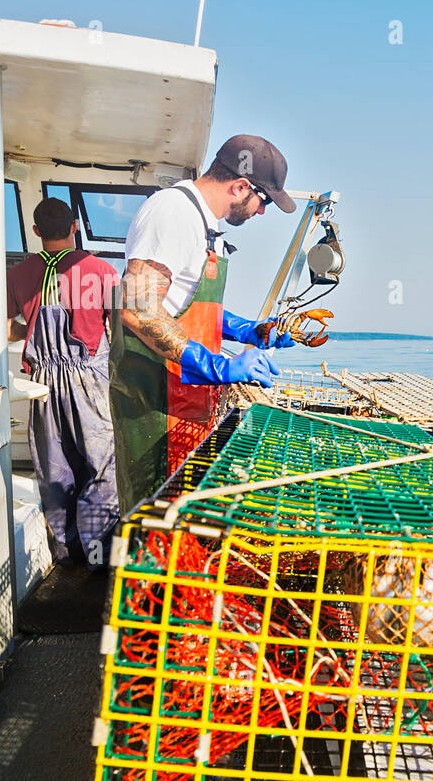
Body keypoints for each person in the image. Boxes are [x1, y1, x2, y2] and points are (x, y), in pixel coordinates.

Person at [110, 134, 298, 513]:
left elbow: (183, 303)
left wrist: (248, 330)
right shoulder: (172, 213)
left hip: (187, 397)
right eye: (263, 201)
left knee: (182, 517)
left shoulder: (203, 224)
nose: (262, 211)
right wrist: (216, 364)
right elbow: (137, 308)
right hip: (154, 403)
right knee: (154, 519)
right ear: (241, 186)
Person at [6, 197, 121, 565]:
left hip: (43, 384)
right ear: (74, 226)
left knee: (56, 467)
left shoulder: (17, 274)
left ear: (36, 231)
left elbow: (7, 331)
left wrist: (33, 331)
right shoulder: (103, 270)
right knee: (100, 465)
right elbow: (120, 329)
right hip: (89, 377)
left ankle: (66, 552)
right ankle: (98, 555)